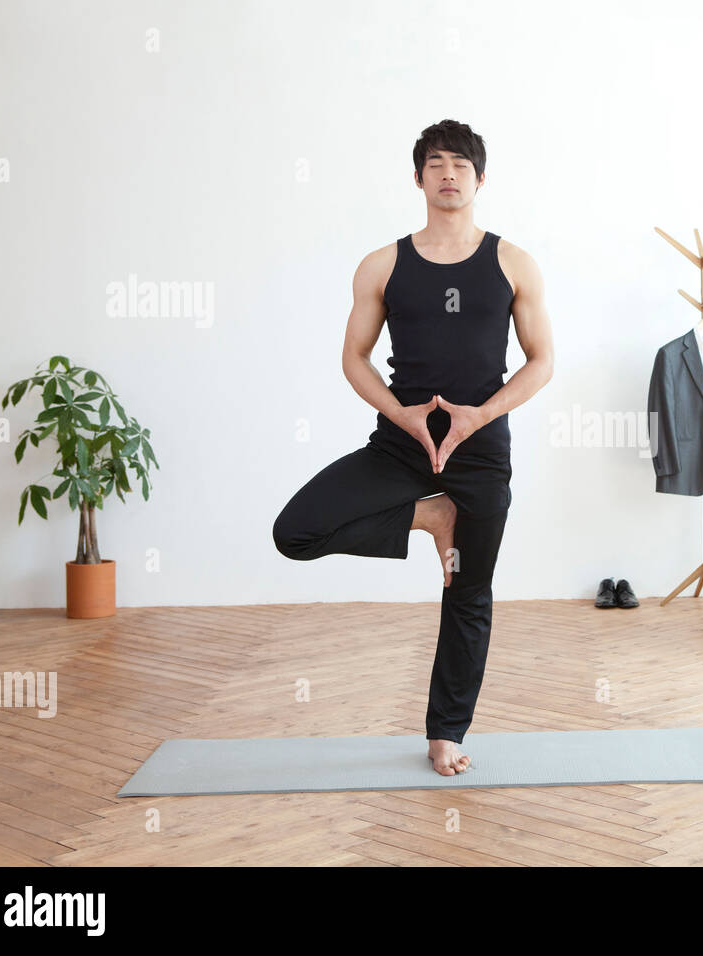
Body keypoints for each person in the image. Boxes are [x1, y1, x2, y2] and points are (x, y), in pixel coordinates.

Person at [272, 120, 553, 776]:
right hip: (401, 448)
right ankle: (431, 515)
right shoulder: (383, 264)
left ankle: (446, 732)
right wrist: (400, 414)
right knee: (295, 531)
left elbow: (541, 363)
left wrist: (479, 415)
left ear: (480, 179)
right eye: (435, 163)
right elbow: (355, 357)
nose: (448, 173)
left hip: (481, 452)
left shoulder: (513, 263)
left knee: (469, 591)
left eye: (460, 164)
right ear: (419, 177)